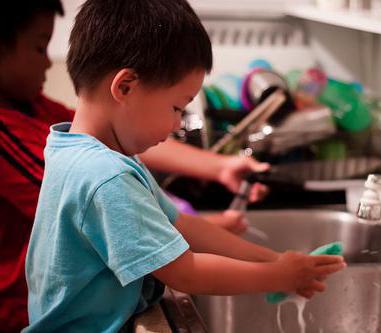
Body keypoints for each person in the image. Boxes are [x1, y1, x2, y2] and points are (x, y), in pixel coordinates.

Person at [24, 0, 346, 331]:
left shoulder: (80, 151)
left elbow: (183, 225)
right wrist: (278, 276)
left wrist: (274, 259)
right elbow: (185, 272)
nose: (176, 125)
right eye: (177, 108)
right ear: (125, 87)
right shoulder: (106, 177)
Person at [0, 1, 261, 331]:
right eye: (39, 47)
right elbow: (108, 202)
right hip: (17, 313)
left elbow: (119, 129)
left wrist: (218, 166)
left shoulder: (48, 118)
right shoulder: (98, 174)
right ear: (124, 86)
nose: (47, 64)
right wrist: (278, 273)